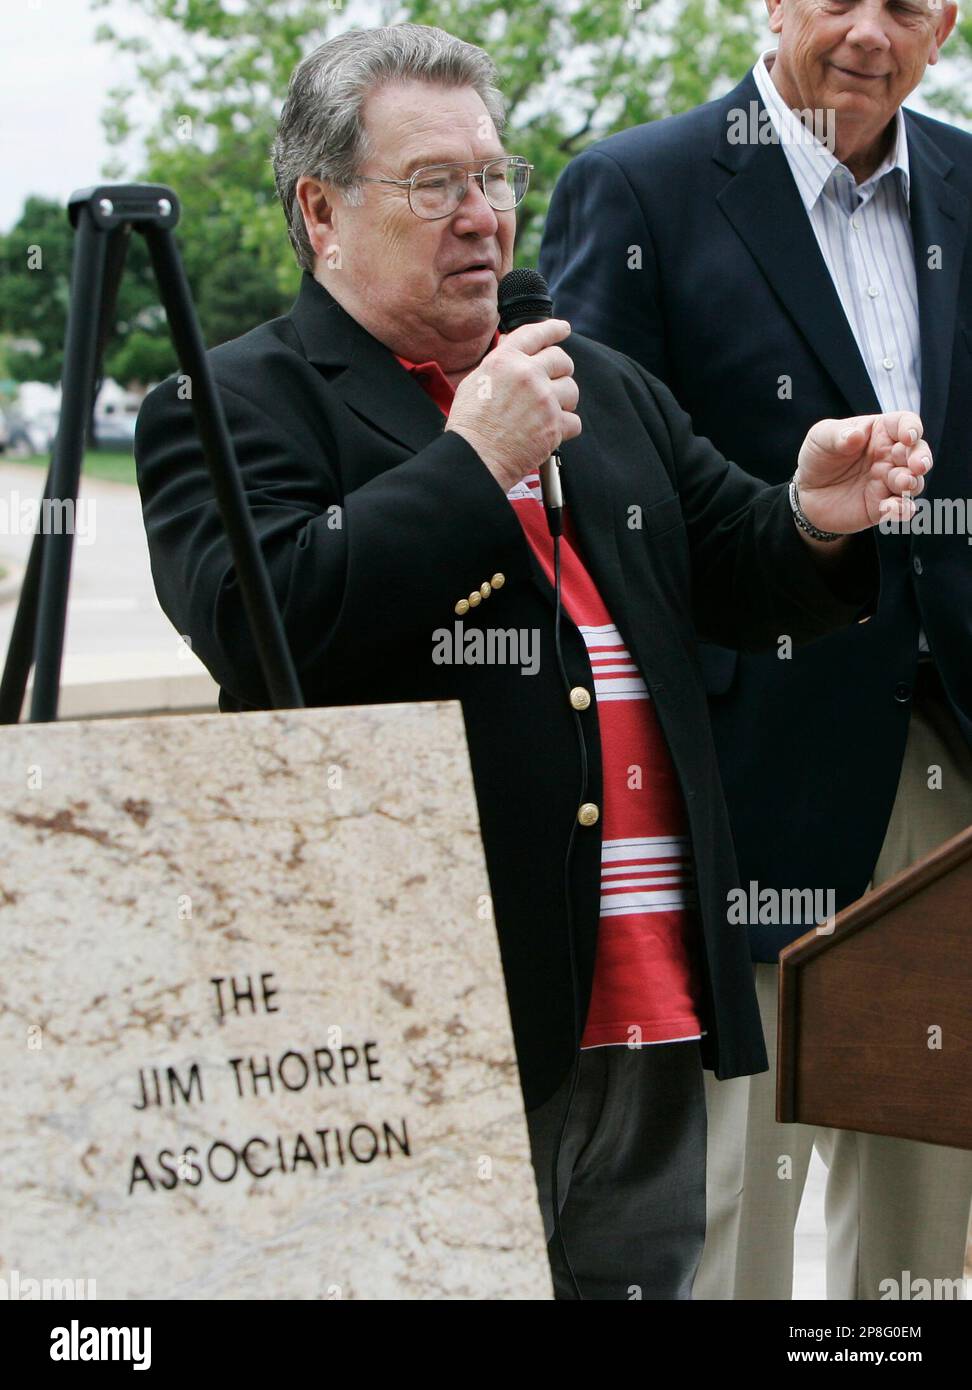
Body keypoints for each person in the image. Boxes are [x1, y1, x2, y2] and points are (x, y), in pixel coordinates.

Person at [135, 23, 929, 1300]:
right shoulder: (227, 402)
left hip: (650, 1000)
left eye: (496, 178)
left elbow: (734, 565)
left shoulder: (590, 383)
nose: (483, 217)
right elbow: (266, 622)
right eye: (435, 183)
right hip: (420, 1014)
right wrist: (471, 464)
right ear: (321, 209)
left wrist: (815, 515)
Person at [539, 0, 972, 1300]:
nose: (868, 29)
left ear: (945, 22)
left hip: (947, 760)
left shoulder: (966, 178)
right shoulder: (639, 187)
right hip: (742, 766)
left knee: (919, 1187)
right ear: (771, 1)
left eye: (906, 3)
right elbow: (599, 489)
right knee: (736, 1208)